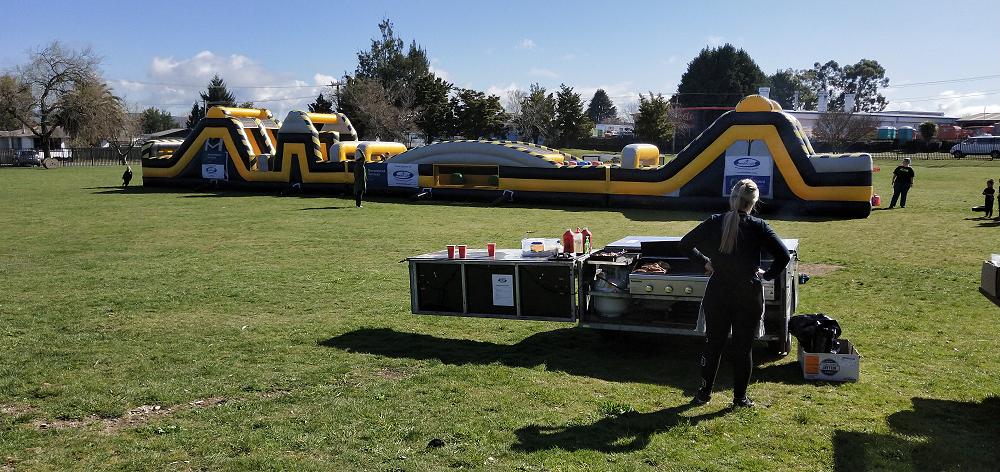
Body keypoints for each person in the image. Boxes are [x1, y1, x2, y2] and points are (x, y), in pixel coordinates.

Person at [678, 179, 790, 408]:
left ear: (732, 198)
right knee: (743, 348)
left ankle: (703, 394)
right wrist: (767, 275)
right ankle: (740, 398)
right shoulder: (758, 226)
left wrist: (705, 262)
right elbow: (784, 256)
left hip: (718, 290)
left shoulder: (715, 222)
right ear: (754, 203)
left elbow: (685, 244)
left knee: (713, 344)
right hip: (748, 292)